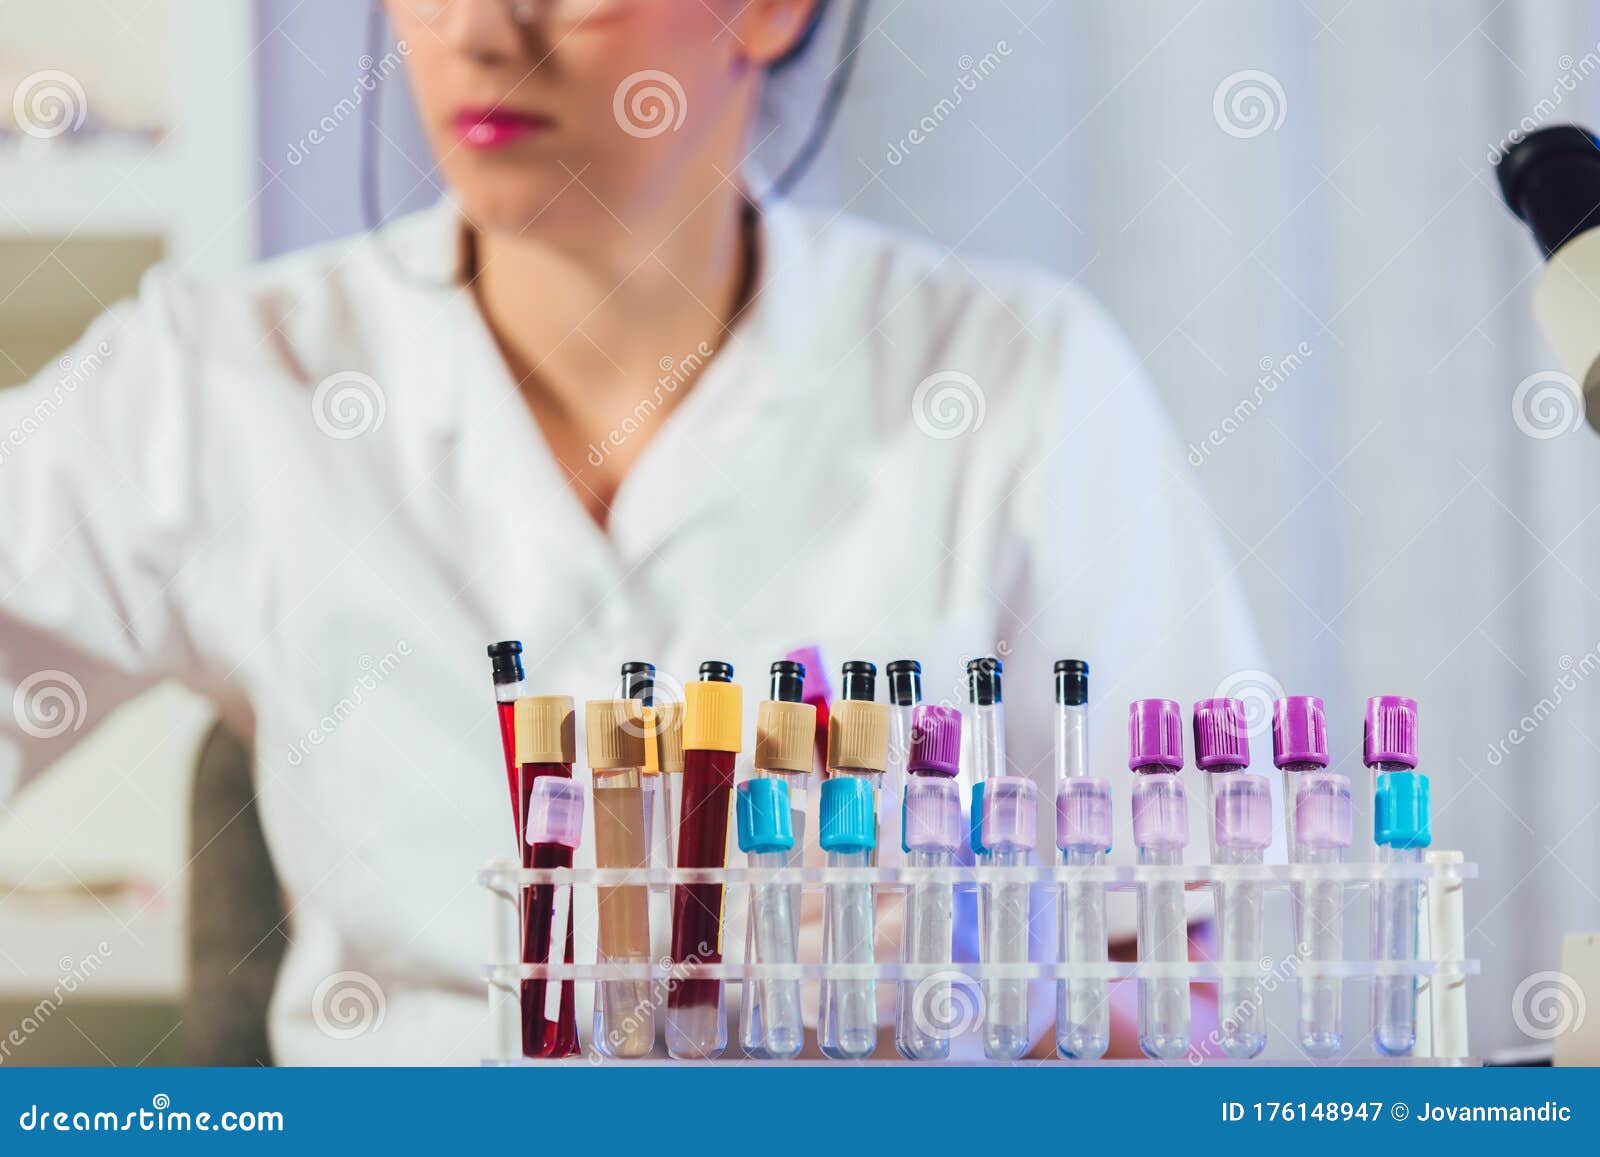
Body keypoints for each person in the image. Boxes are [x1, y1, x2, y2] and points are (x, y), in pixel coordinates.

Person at [0, 0, 1261, 1063]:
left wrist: (948, 989)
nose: (480, 33)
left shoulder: (1011, 377)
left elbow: (1225, 968)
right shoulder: (221, 377)